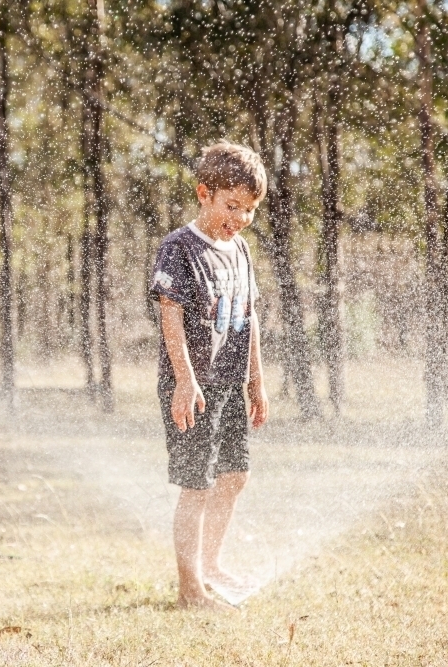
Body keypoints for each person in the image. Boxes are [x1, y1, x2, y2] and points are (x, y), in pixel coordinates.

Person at [148, 141, 270, 610]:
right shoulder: (178, 249)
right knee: (196, 485)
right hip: (192, 388)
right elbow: (170, 315)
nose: (239, 218)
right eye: (231, 206)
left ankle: (211, 565)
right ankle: (189, 591)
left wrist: (256, 380)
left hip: (229, 384)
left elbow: (250, 315)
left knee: (234, 476)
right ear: (205, 193)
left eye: (249, 210)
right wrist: (184, 379)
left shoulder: (238, 249)